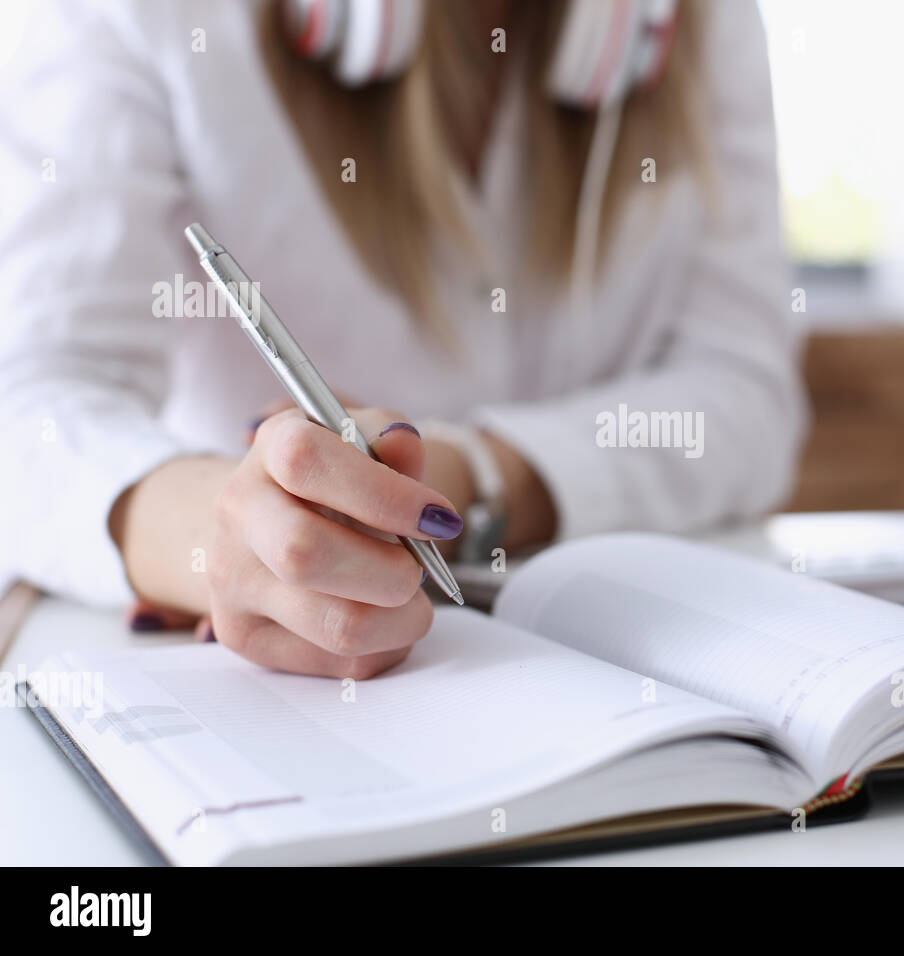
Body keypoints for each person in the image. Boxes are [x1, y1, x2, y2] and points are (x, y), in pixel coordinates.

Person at [0, 0, 806, 677]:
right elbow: (26, 401)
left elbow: (745, 394)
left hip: (617, 647)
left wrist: (475, 475)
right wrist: (225, 534)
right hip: (252, 680)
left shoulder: (699, 19)